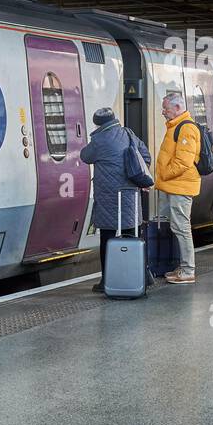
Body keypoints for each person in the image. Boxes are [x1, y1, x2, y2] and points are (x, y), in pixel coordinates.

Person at [80, 107, 152, 293]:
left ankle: (107, 280)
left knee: (108, 237)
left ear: (98, 123)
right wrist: (135, 174)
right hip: (130, 192)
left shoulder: (99, 140)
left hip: (108, 196)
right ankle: (142, 275)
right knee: (132, 234)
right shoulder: (128, 133)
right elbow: (145, 155)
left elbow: (84, 156)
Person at [155, 91, 200, 284]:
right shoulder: (175, 126)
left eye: (165, 108)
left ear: (177, 107)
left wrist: (163, 174)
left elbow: (183, 162)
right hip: (175, 185)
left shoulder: (186, 129)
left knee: (182, 227)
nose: (163, 112)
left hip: (181, 186)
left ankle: (188, 270)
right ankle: (183, 267)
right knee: (177, 226)